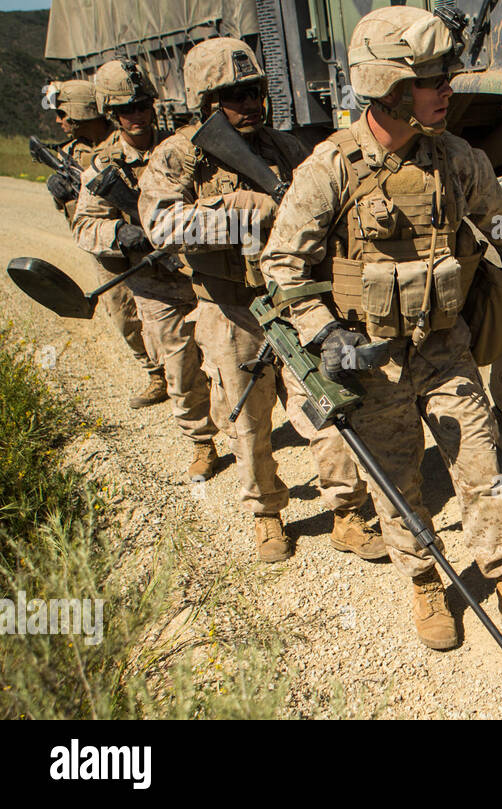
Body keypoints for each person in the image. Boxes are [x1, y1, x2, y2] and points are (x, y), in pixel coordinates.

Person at [261, 6, 502, 649]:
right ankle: (424, 584)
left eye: (445, 76)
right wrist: (326, 333)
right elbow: (283, 266)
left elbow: (501, 228)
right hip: (372, 358)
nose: (448, 89)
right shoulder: (329, 169)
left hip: (445, 348)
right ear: (388, 87)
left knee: (482, 467)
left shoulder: (457, 162)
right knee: (399, 479)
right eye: (432, 78)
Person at [139, 37, 382, 563]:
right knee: (248, 419)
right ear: (205, 101)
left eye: (255, 92)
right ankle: (267, 516)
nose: (251, 104)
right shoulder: (178, 156)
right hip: (228, 307)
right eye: (234, 95)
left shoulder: (283, 148)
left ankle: (346, 511)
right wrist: (235, 208)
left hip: (290, 299)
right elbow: (160, 225)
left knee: (324, 403)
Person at [72, 58, 219, 480]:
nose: (136, 116)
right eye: (125, 110)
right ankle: (201, 442)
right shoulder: (103, 168)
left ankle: (244, 434)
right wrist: (120, 233)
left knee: (233, 361)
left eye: (141, 105)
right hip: (154, 284)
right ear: (109, 114)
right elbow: (83, 226)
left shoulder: (182, 147)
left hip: (202, 273)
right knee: (179, 367)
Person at [44, 78, 165, 408]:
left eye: (65, 114)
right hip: (110, 244)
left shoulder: (128, 143)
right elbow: (81, 217)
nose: (61, 122)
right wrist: (62, 192)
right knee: (123, 313)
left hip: (151, 238)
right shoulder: (71, 154)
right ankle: (157, 373)